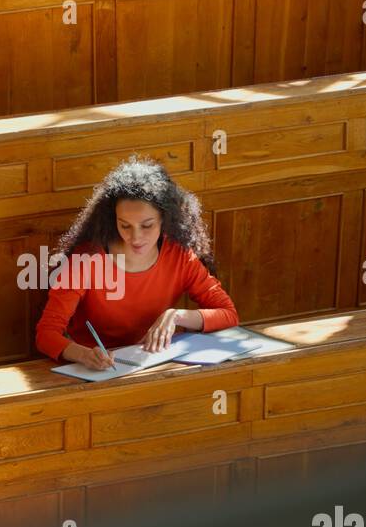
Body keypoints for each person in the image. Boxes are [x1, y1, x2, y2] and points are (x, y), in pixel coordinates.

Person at [36, 156, 239, 370]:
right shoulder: (87, 260)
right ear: (113, 220)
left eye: (147, 225)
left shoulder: (179, 256)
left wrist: (177, 316)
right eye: (125, 226)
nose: (135, 237)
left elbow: (228, 314)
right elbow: (46, 333)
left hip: (158, 365)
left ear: (165, 219)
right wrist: (82, 355)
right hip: (101, 371)